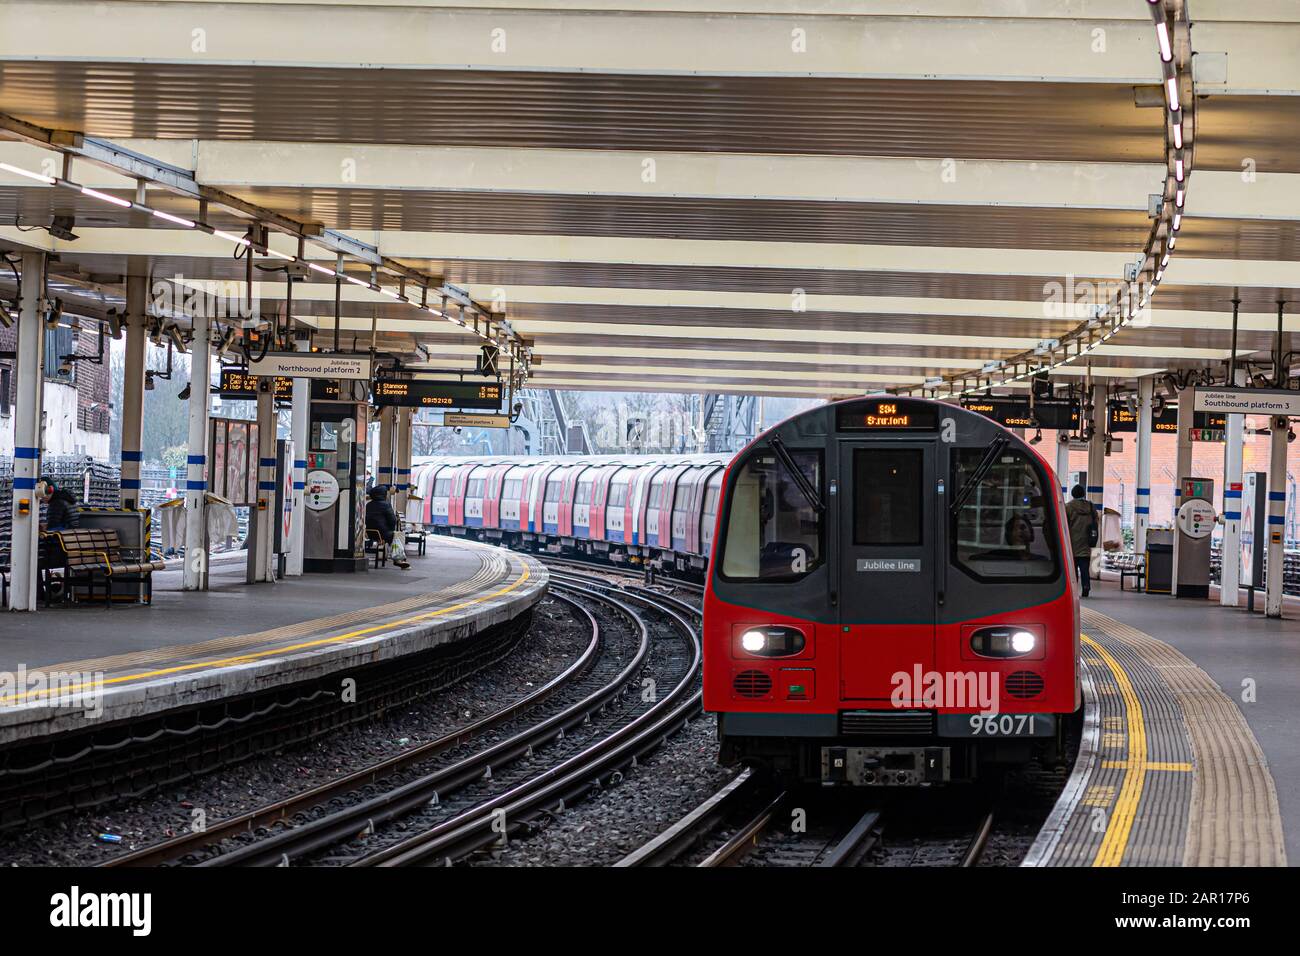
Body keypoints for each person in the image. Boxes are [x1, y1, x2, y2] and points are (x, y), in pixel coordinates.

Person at [365, 485, 410, 570]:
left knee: (392, 536)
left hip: (370, 533)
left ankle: (395, 557)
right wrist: (391, 530)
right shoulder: (386, 505)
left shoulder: (368, 505)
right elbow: (392, 520)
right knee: (397, 536)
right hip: (383, 533)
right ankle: (399, 559)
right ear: (383, 495)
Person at [1064, 484, 1096, 597]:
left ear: (1072, 494)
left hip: (1072, 542)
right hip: (1086, 542)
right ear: (1083, 493)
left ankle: (1073, 589)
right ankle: (1086, 587)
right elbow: (1095, 521)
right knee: (1084, 567)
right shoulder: (1091, 507)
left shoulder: (1068, 507)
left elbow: (1064, 524)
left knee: (1072, 569)